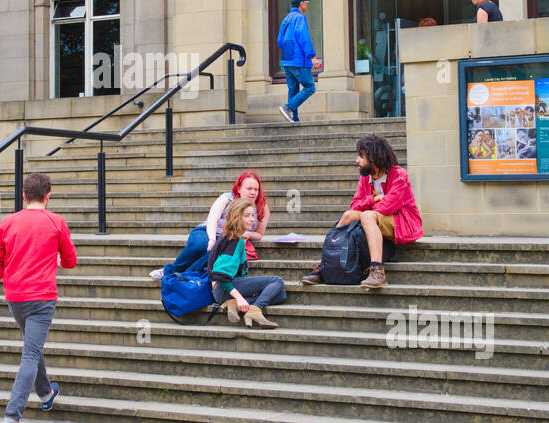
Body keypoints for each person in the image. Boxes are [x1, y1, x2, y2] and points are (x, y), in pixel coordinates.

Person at [0, 172, 77, 423]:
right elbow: (70, 260)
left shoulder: (8, 222)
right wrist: (57, 262)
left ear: (24, 196)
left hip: (15, 296)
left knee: (31, 345)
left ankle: (47, 393)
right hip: (41, 297)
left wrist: (10, 276)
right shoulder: (56, 222)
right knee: (30, 353)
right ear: (47, 196)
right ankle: (12, 418)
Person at [301, 134, 423, 289]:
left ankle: (377, 270)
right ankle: (327, 266)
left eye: (361, 156)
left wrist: (368, 208)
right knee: (348, 215)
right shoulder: (366, 178)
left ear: (373, 157)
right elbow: (355, 205)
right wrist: (373, 199)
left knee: (366, 215)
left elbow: (388, 206)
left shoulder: (399, 175)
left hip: (403, 223)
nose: (357, 161)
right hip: (374, 218)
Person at [149, 170, 269, 281]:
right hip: (207, 231)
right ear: (239, 188)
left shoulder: (262, 207)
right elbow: (212, 220)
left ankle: (180, 277)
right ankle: (168, 271)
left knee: (212, 256)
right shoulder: (227, 198)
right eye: (249, 188)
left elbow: (259, 234)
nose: (253, 192)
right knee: (200, 246)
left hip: (228, 239)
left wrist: (247, 234)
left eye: (256, 189)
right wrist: (212, 239)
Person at [207, 197, 286, 329]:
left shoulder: (236, 237)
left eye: (253, 215)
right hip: (224, 289)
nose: (251, 219)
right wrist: (239, 298)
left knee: (280, 295)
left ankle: (234, 304)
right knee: (277, 282)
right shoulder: (234, 241)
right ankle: (254, 310)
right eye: (247, 216)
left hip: (225, 290)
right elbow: (220, 276)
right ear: (237, 217)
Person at [277, 0, 317, 123]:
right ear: (301, 4)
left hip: (287, 61)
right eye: (306, 3)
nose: (307, 5)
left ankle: (294, 118)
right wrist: (312, 56)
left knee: (293, 90)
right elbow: (303, 37)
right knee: (310, 87)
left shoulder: (286, 19)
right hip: (299, 61)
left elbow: (279, 41)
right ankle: (288, 108)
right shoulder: (299, 18)